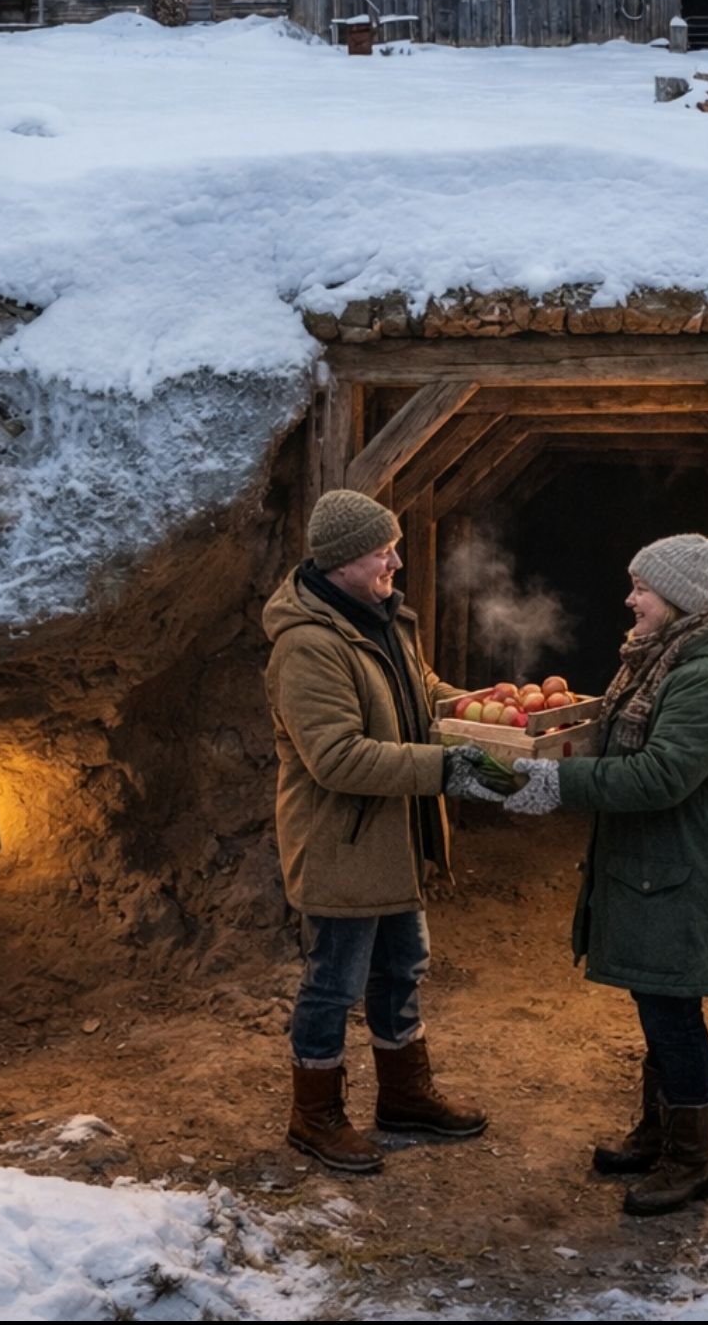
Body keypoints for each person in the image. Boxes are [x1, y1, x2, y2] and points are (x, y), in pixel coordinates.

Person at [470, 532, 708, 1216]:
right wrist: (551, 730)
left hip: (688, 861)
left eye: (642, 588)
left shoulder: (705, 677)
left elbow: (662, 774)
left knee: (672, 1007)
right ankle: (657, 1133)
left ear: (680, 599)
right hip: (661, 861)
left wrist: (556, 780)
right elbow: (628, 733)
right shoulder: (661, 660)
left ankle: (691, 1162)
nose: (629, 599)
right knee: (657, 997)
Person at [262, 488, 496, 1173]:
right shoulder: (307, 647)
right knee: (334, 982)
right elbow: (336, 758)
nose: (396, 558)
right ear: (340, 561)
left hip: (392, 839)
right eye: (380, 549)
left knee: (402, 968)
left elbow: (425, 694)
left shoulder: (385, 620)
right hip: (342, 843)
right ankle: (315, 1116)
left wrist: (491, 706)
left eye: (393, 544)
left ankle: (403, 1098)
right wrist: (448, 769)